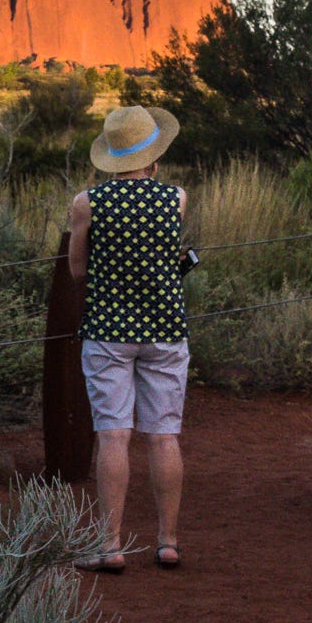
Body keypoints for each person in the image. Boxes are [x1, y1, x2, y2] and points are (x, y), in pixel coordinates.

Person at [68, 105, 189, 573]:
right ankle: (168, 542)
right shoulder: (176, 198)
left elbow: (77, 270)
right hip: (166, 330)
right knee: (164, 435)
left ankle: (110, 545)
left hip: (108, 333)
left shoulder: (88, 203)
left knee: (113, 435)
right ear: (153, 158)